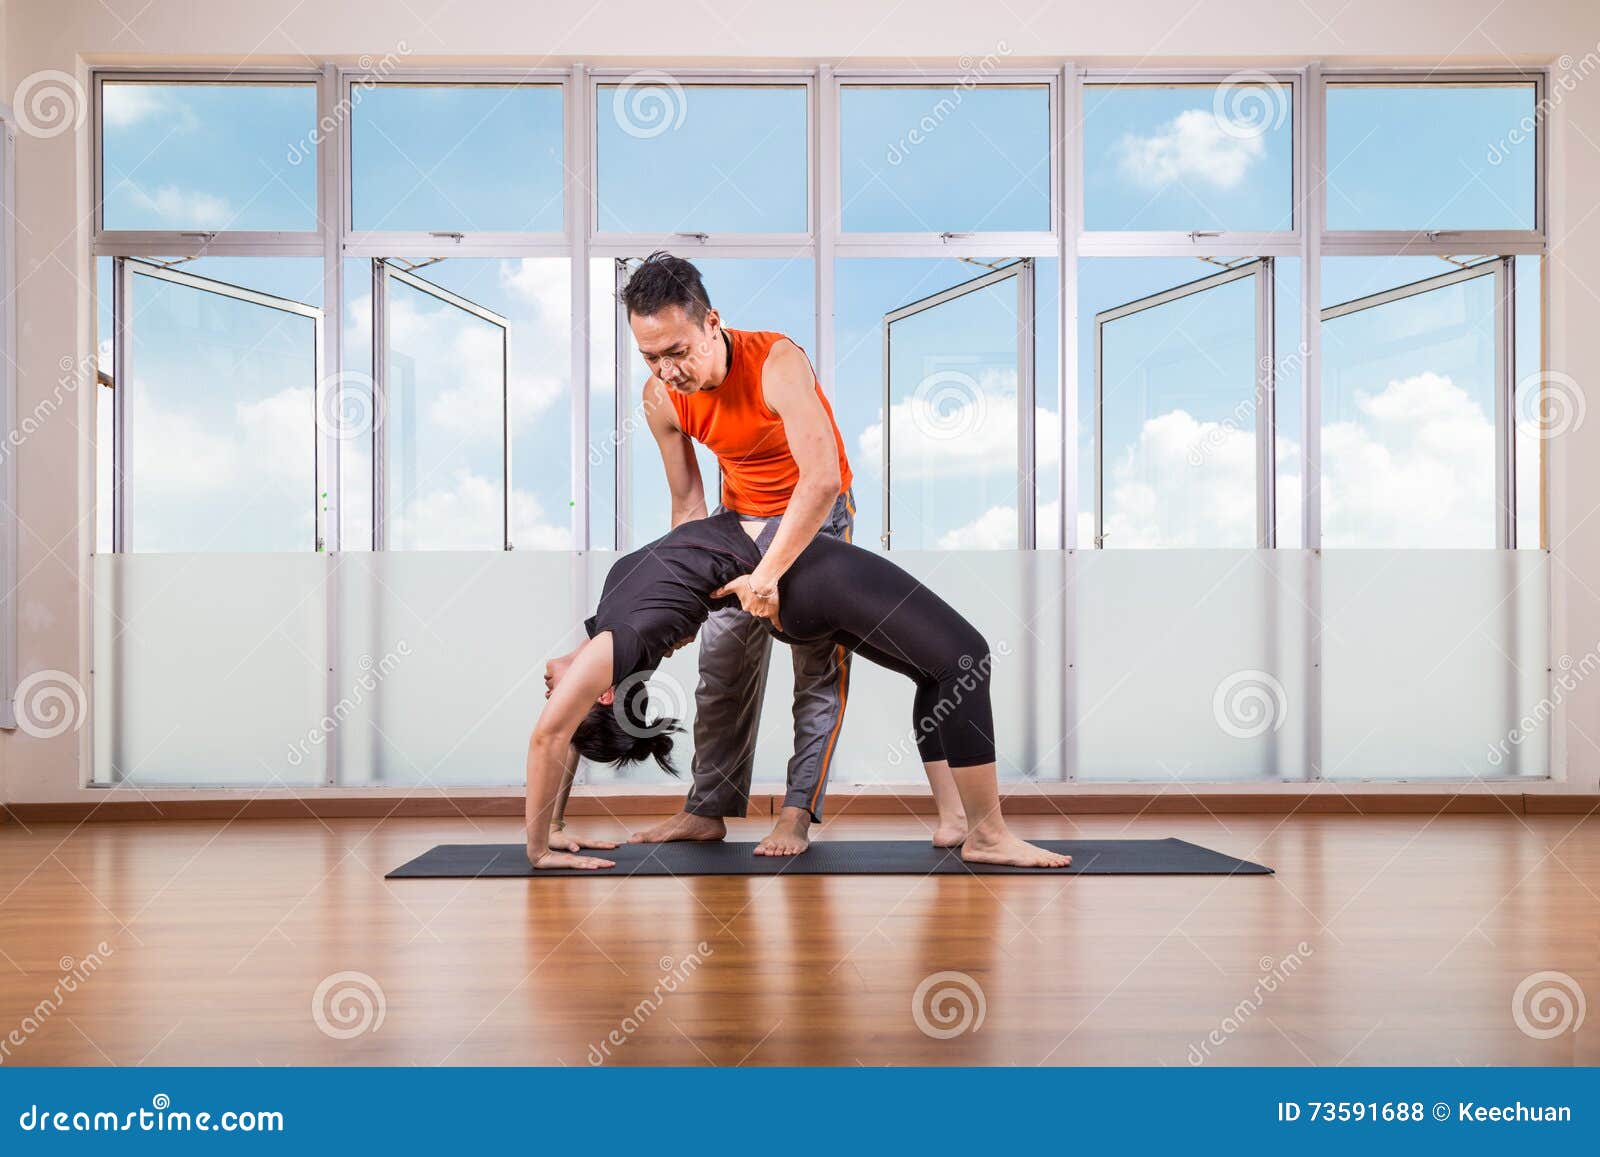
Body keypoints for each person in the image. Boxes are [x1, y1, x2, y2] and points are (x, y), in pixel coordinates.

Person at [523, 511, 1070, 872]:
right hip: (803, 574)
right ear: (600, 694)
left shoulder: (604, 635)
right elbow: (551, 735)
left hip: (793, 597)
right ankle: (989, 834)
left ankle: (957, 822)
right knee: (965, 660)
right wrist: (538, 848)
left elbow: (564, 726)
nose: (676, 645)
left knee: (934, 672)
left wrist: (554, 825)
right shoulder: (625, 638)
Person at [620, 252, 855, 857]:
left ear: (712, 323)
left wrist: (769, 575)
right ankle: (707, 811)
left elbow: (823, 477)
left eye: (678, 352)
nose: (668, 370)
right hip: (735, 520)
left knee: (816, 670)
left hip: (815, 516)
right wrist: (685, 600)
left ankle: (796, 815)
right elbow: (688, 506)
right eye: (651, 357)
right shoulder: (661, 399)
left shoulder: (777, 361)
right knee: (719, 671)